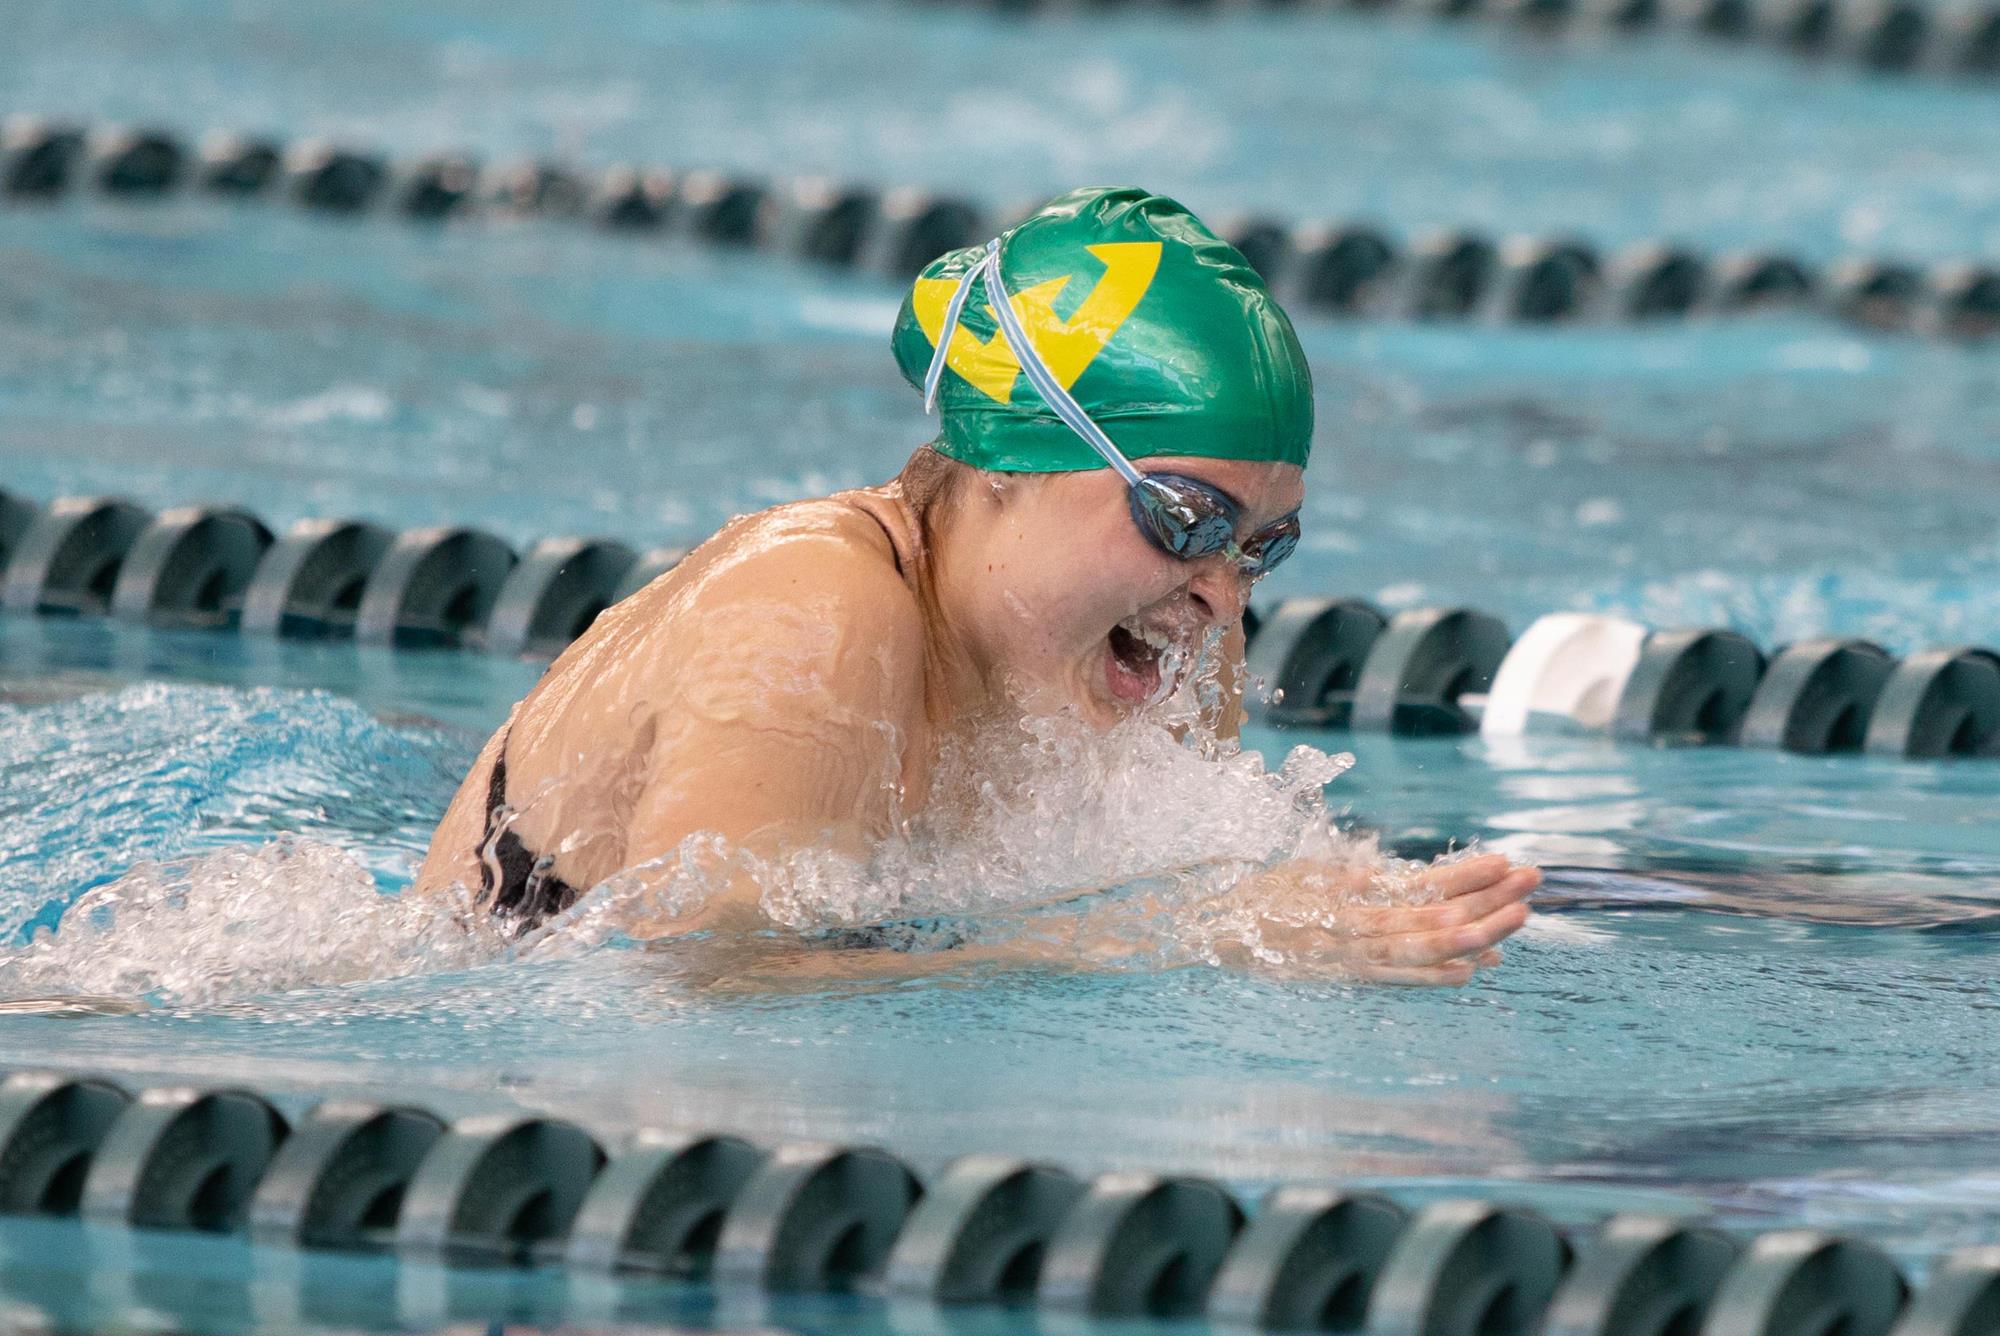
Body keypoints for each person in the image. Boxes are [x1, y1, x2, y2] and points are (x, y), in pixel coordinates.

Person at [413, 186, 1536, 983]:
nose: (1222, 595)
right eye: (1182, 517)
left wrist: (1369, 914)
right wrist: (1186, 940)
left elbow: (1215, 890)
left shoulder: (1166, 635)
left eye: (1261, 544)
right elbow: (713, 980)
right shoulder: (811, 608)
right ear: (1009, 462)